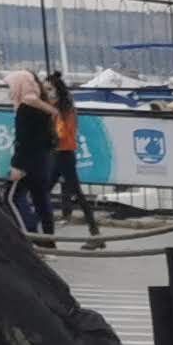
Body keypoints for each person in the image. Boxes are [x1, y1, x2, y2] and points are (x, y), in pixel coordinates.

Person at [43, 69, 100, 246]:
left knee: (76, 194)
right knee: (44, 192)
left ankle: (95, 233)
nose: (45, 93)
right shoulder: (61, 108)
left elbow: (61, 134)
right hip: (59, 154)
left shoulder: (63, 110)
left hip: (64, 155)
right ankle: (41, 232)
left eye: (48, 89)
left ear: (56, 90)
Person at [6, 67, 57, 236]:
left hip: (27, 163)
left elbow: (23, 139)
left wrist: (17, 165)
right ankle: (49, 241)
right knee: (41, 200)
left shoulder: (24, 108)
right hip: (43, 160)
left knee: (11, 198)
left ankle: (30, 235)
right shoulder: (44, 107)